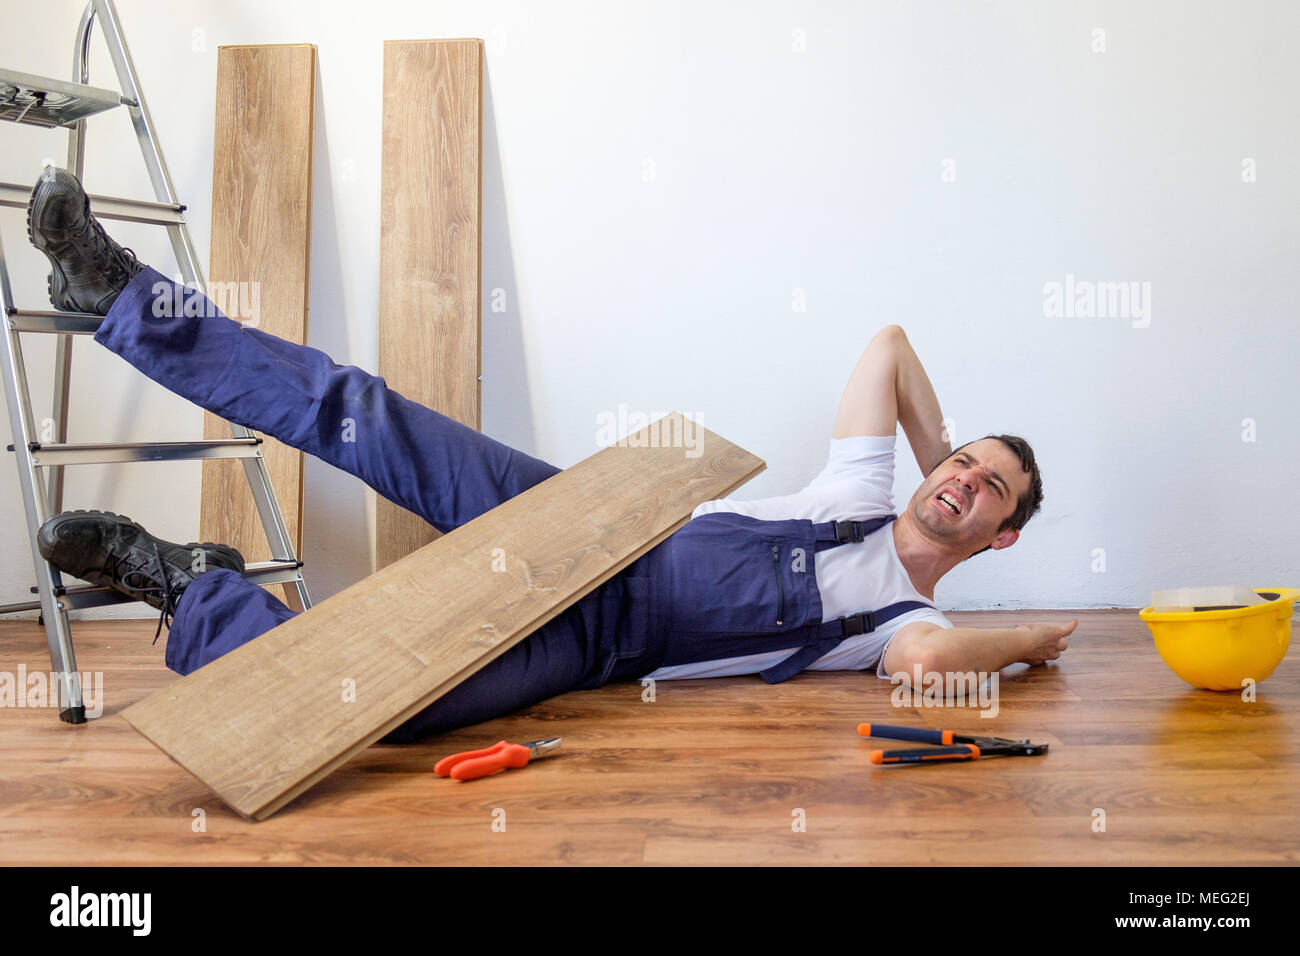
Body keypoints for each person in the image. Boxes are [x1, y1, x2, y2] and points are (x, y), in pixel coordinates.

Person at [24, 167, 1075, 743]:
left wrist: (1027, 639)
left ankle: (193, 586)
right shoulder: (866, 482)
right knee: (363, 410)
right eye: (965, 461)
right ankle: (117, 293)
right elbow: (888, 346)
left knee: (377, 711)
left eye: (989, 489)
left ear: (1003, 531)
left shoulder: (912, 621)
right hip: (590, 516)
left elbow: (933, 670)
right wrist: (946, 450)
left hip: (597, 635)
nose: (962, 479)